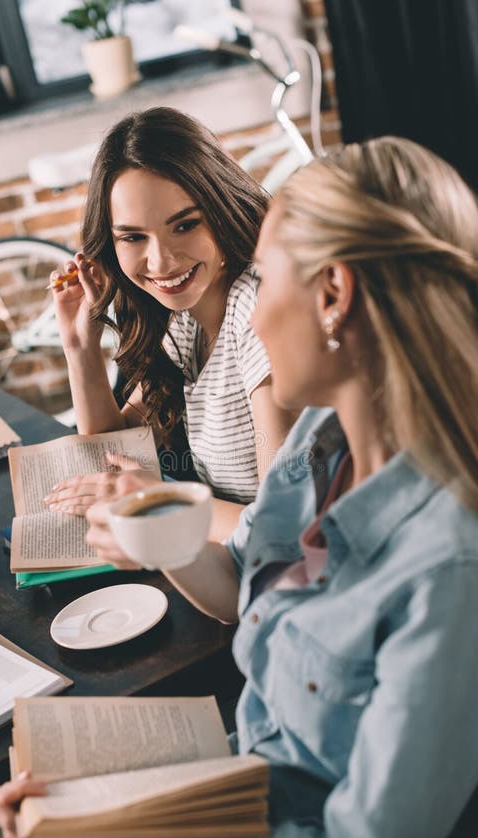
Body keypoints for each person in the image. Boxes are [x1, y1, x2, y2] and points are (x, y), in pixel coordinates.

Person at [0, 136, 478, 838]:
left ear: (332, 295)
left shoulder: (453, 573)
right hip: (255, 781)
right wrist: (160, 539)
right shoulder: (316, 443)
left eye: (265, 284)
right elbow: (242, 591)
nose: (253, 317)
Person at [43, 106, 296, 541]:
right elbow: (112, 446)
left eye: (184, 225)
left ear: (221, 207)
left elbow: (284, 528)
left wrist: (157, 500)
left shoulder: (257, 311)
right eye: (133, 237)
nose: (160, 260)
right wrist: (79, 346)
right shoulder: (187, 322)